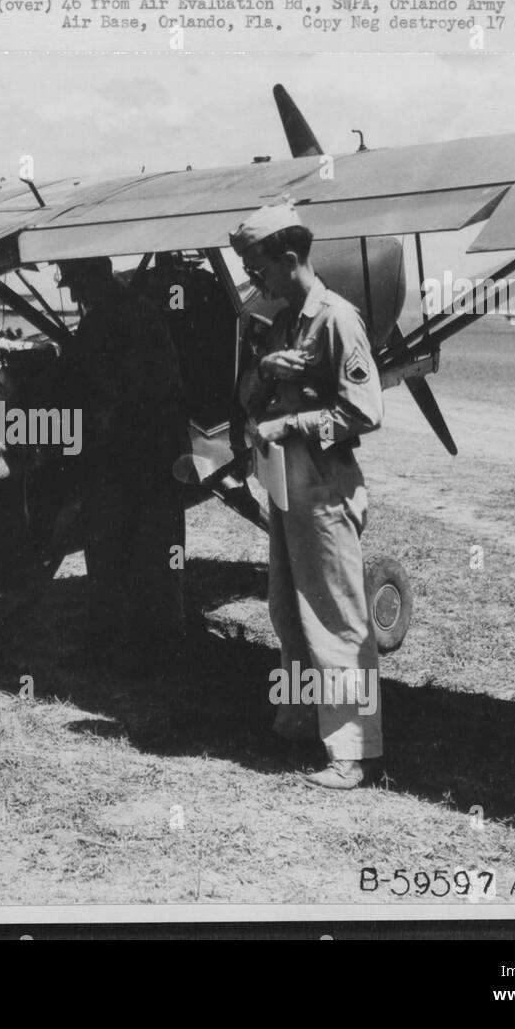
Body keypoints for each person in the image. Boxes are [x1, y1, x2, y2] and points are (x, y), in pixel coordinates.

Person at [229, 204, 384, 789]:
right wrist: (266, 371)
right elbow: (248, 400)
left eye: (258, 267)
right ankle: (303, 723)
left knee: (339, 619)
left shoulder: (337, 319)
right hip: (287, 488)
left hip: (323, 487)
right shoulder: (281, 321)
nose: (253, 280)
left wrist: (292, 425)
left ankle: (355, 754)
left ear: (289, 260)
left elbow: (366, 411)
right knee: (288, 611)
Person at [57, 256, 189, 669]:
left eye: (76, 282)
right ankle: (108, 644)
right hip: (116, 462)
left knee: (152, 555)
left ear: (97, 274)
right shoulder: (100, 320)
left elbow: (137, 397)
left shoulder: (136, 319)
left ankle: (161, 652)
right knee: (106, 554)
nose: (74, 294)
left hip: (147, 461)